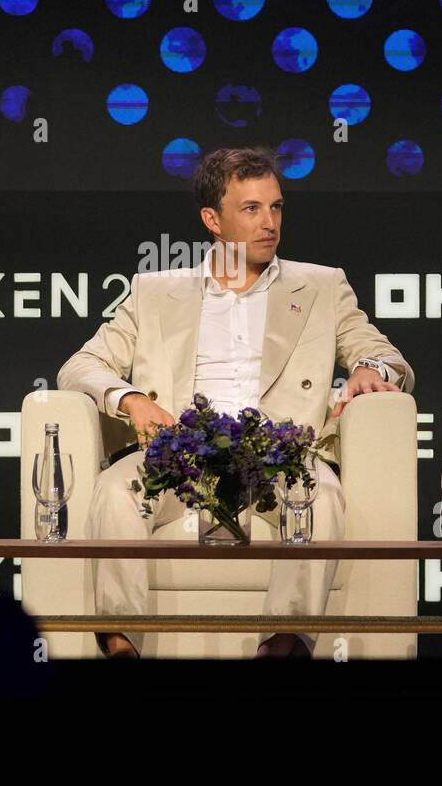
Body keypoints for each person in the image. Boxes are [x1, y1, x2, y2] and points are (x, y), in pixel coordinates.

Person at [58, 147, 412, 658]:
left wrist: (366, 369)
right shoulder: (155, 291)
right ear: (212, 220)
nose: (269, 223)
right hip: (177, 454)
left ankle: (283, 646)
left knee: (319, 495)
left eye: (276, 207)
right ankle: (120, 647)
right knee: (116, 494)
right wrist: (129, 398)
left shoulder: (321, 285)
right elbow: (80, 366)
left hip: (278, 455)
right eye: (251, 209)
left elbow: (386, 356)